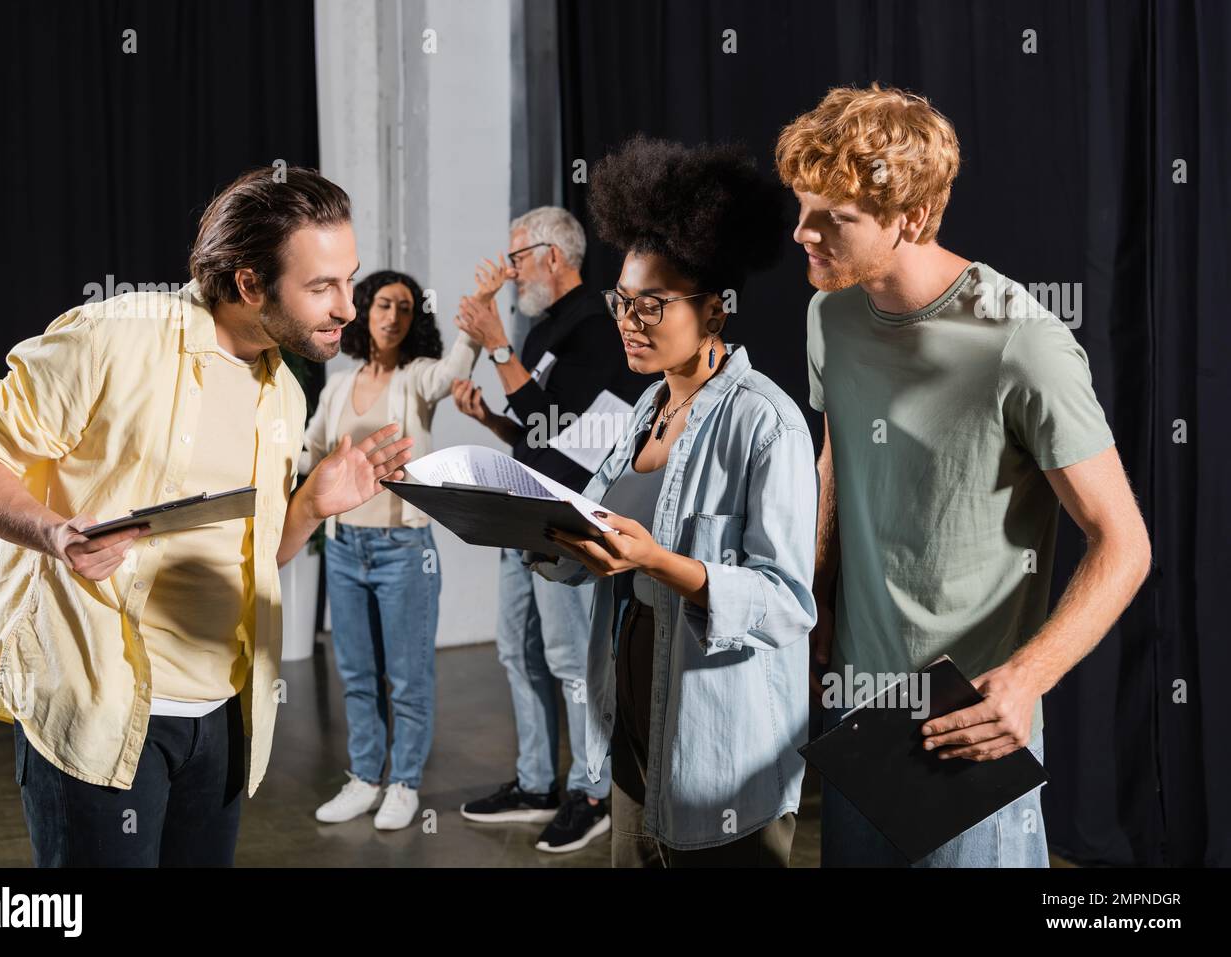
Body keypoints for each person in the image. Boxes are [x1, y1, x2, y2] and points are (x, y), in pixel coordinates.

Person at [0, 168, 411, 866]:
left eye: (350, 279)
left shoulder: (283, 390)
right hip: (101, 704)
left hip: (220, 718)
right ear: (250, 284)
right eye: (321, 287)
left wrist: (311, 504)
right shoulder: (111, 337)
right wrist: (54, 532)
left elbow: (253, 558)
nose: (348, 306)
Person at [774, 84, 1153, 866]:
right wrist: (813, 597)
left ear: (910, 217)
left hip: (969, 724)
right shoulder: (831, 315)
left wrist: (1026, 679)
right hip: (856, 710)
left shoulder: (1022, 342)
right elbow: (840, 456)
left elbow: (1122, 542)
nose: (800, 233)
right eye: (802, 206)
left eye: (831, 218)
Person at [535, 135, 818, 867]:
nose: (629, 321)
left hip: (721, 758)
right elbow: (594, 534)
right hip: (634, 745)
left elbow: (787, 601)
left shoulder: (766, 423)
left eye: (652, 305)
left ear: (716, 311)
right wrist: (531, 528)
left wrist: (660, 562)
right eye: (622, 301)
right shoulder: (644, 408)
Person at [450, 206, 650, 853]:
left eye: (516, 259)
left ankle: (590, 791)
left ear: (553, 256)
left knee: (570, 659)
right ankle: (537, 782)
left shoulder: (595, 324)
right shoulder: (543, 330)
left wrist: (497, 345)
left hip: (565, 518)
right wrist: (492, 422)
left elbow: (564, 428)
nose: (509, 273)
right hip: (524, 504)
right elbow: (541, 433)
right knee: (517, 650)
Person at [305, 270, 479, 830]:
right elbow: (308, 455)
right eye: (384, 305)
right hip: (344, 547)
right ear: (365, 310)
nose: (393, 316)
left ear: (412, 320)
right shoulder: (337, 385)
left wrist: (474, 326)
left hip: (405, 549)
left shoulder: (418, 377)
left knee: (406, 677)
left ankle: (403, 783)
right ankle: (364, 778)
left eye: (405, 309)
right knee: (356, 673)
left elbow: (453, 373)